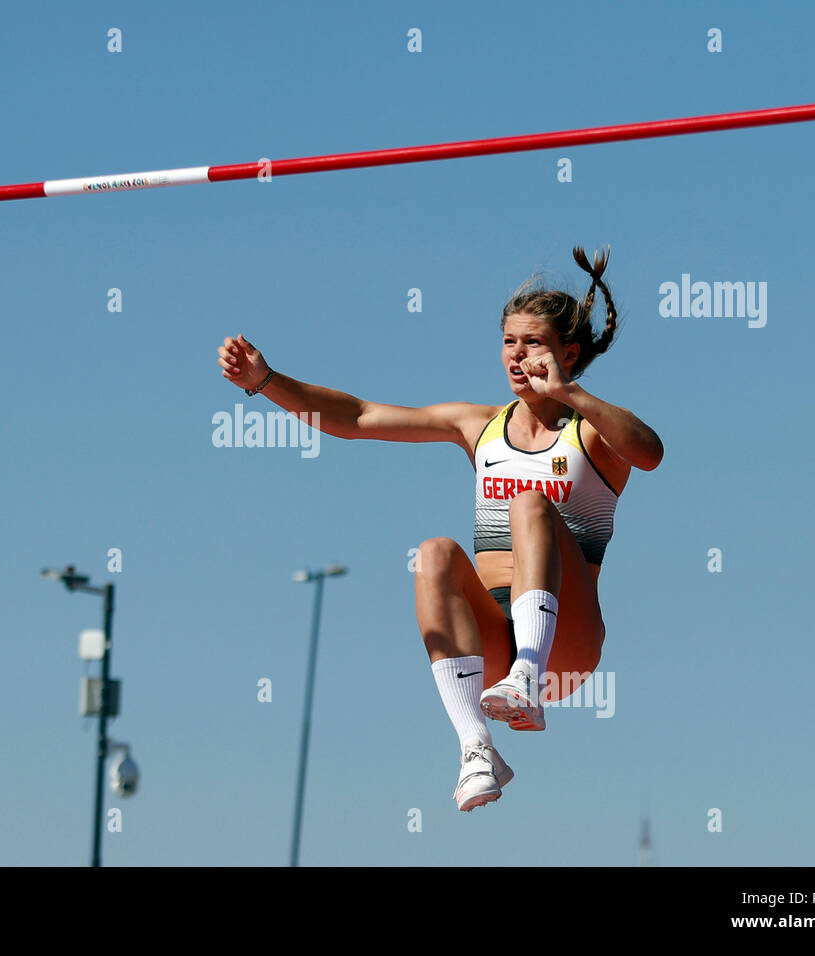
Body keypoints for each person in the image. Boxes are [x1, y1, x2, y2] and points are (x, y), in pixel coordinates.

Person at [217, 246, 663, 811]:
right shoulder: (478, 425)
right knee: (432, 553)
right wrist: (266, 381)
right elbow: (356, 417)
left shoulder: (591, 432)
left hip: (565, 647)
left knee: (530, 504)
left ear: (568, 353)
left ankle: (528, 677)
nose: (517, 354)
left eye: (533, 342)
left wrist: (568, 394)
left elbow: (650, 453)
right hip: (491, 642)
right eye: (509, 341)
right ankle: (478, 748)